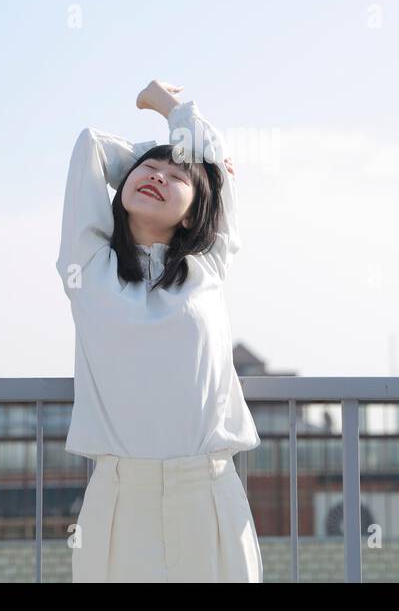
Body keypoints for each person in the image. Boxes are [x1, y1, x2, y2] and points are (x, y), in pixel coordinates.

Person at [56, 79, 263, 582]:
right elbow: (89, 146)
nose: (156, 176)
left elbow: (214, 156)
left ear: (197, 209)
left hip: (209, 492)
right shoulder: (89, 267)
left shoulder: (208, 265)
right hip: (120, 498)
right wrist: (151, 158)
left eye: (175, 177)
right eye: (147, 170)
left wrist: (166, 105)